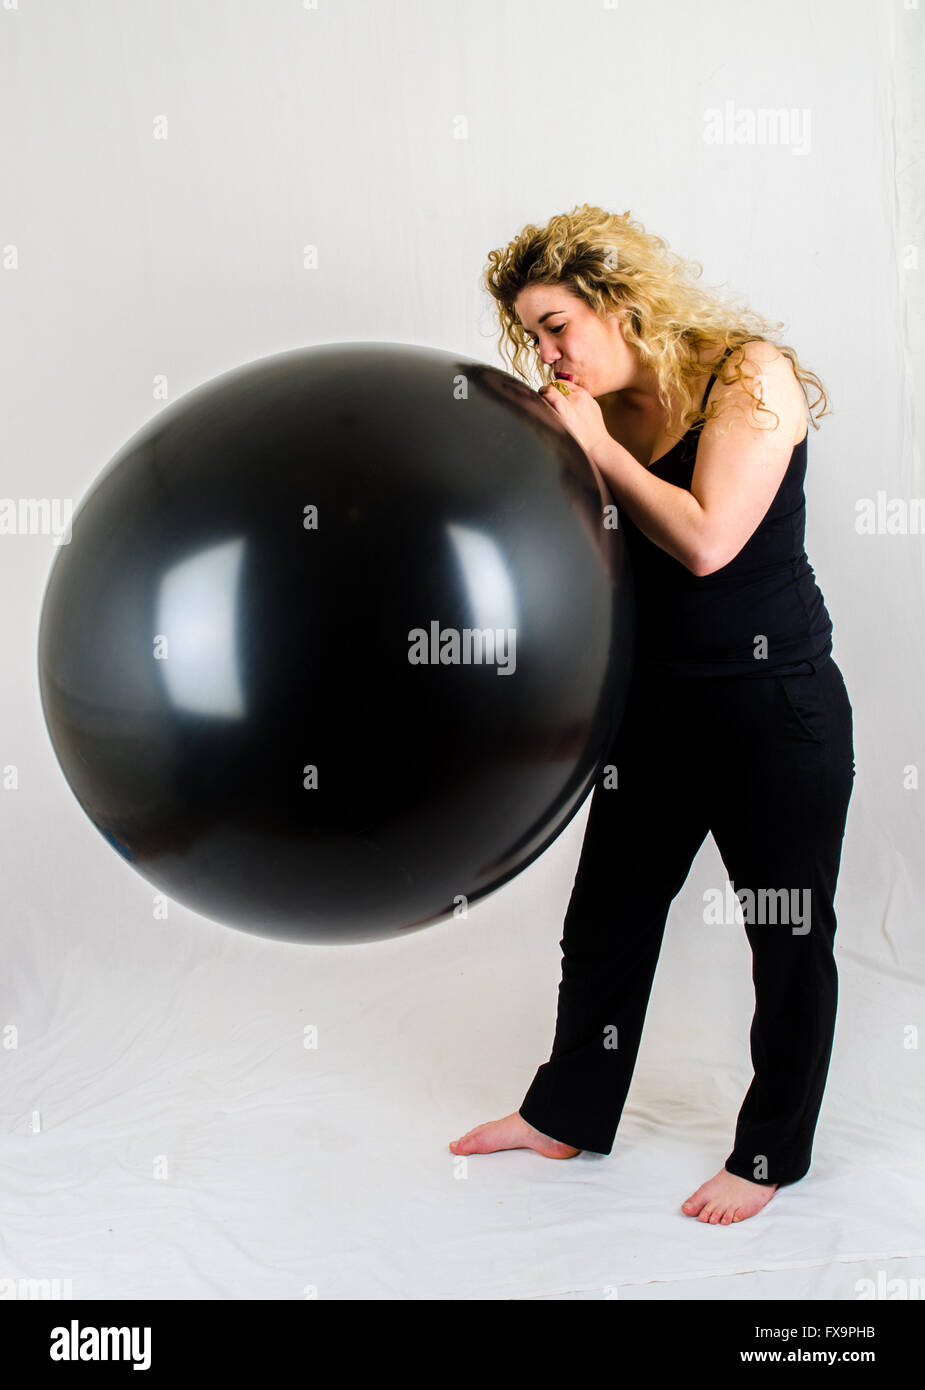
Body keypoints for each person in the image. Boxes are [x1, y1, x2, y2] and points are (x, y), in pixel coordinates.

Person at [449, 204, 856, 1225]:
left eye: (555, 326)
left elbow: (710, 540)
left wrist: (598, 451)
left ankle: (769, 1154)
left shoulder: (746, 374)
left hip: (776, 706)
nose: (545, 352)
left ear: (621, 306)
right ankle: (567, 1113)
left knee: (785, 934)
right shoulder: (589, 410)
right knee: (606, 924)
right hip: (653, 712)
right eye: (532, 334)